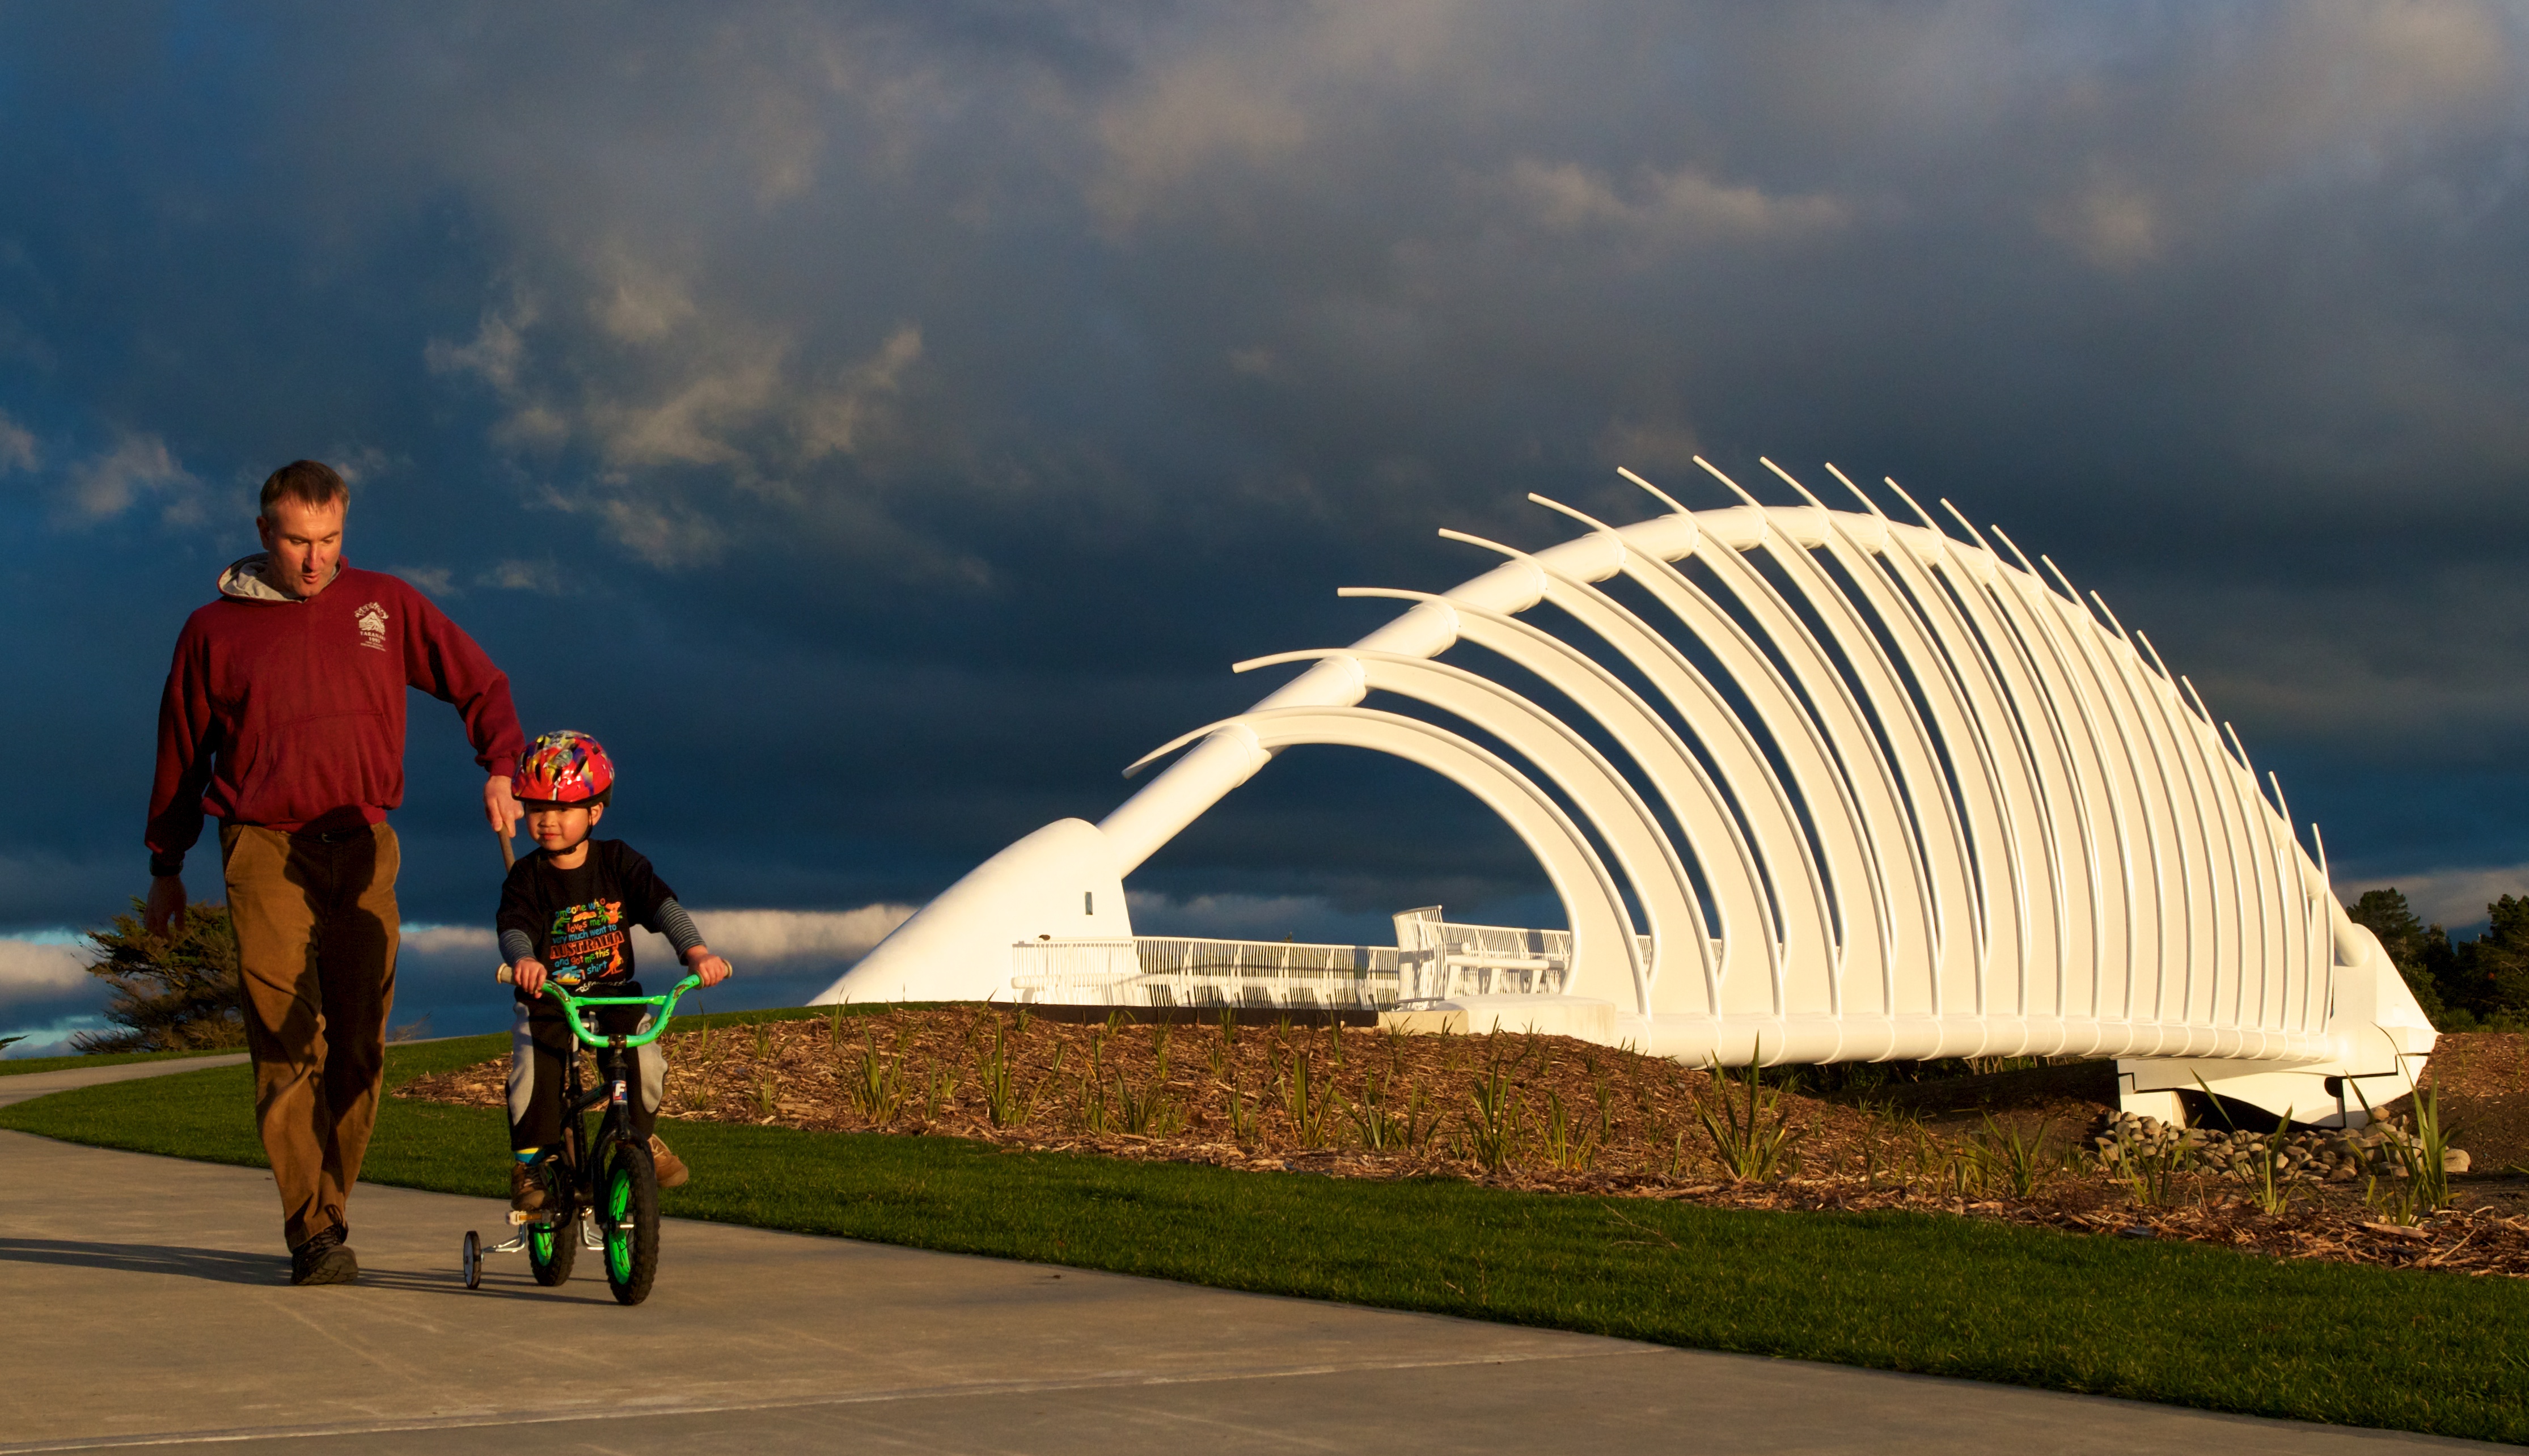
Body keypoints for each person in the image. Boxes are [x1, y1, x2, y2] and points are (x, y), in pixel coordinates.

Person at [146, 459, 525, 1286]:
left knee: (358, 1044)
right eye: (296, 541)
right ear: (262, 535)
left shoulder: (383, 605)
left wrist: (501, 763)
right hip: (261, 847)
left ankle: (331, 1204)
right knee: (286, 1040)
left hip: (361, 843)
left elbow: (479, 681)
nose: (316, 560)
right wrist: (165, 867)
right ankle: (312, 1230)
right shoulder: (213, 631)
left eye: (330, 540)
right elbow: (181, 754)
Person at [497, 730, 730, 1212]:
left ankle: (637, 1140)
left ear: (594, 812)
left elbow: (663, 907)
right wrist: (524, 961)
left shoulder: (619, 862)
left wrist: (698, 953)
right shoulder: (527, 877)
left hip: (614, 994)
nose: (547, 822)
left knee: (645, 1064)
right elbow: (516, 927)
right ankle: (532, 1163)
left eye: (562, 810)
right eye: (537, 809)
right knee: (532, 1072)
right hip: (553, 1000)